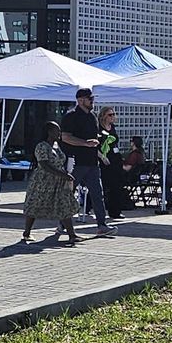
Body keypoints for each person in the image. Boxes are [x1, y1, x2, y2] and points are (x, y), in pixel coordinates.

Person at [59, 88, 115, 235]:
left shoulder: (92, 116)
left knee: (97, 194)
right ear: (81, 100)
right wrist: (85, 143)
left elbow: (94, 139)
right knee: (68, 193)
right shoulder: (71, 116)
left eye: (93, 98)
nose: (92, 101)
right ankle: (62, 224)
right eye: (90, 99)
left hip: (92, 162)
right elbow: (65, 137)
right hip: (76, 162)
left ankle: (102, 225)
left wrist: (100, 152)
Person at [22, 121, 80, 245]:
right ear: (49, 132)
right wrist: (62, 174)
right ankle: (27, 233)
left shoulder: (57, 146)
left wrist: (65, 174)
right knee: (35, 205)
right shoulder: (42, 146)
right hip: (43, 182)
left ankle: (72, 235)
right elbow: (44, 165)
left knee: (64, 205)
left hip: (59, 182)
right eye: (57, 130)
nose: (59, 133)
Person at [96, 106, 128, 218]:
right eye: (110, 115)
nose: (112, 117)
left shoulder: (112, 127)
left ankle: (116, 211)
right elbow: (95, 146)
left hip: (115, 158)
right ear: (103, 116)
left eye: (113, 114)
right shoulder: (98, 128)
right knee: (106, 184)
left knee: (117, 185)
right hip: (104, 158)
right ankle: (102, 208)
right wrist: (102, 157)